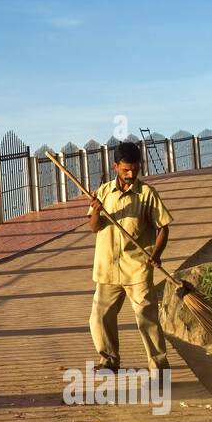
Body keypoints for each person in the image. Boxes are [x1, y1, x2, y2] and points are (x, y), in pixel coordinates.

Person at [86, 141, 173, 374]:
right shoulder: (103, 192)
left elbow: (163, 227)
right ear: (116, 166)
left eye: (135, 168)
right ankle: (109, 361)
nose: (131, 174)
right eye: (126, 169)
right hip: (108, 269)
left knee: (147, 318)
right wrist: (96, 210)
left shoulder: (147, 194)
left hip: (137, 269)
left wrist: (157, 254)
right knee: (99, 318)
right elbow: (94, 228)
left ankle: (159, 369)